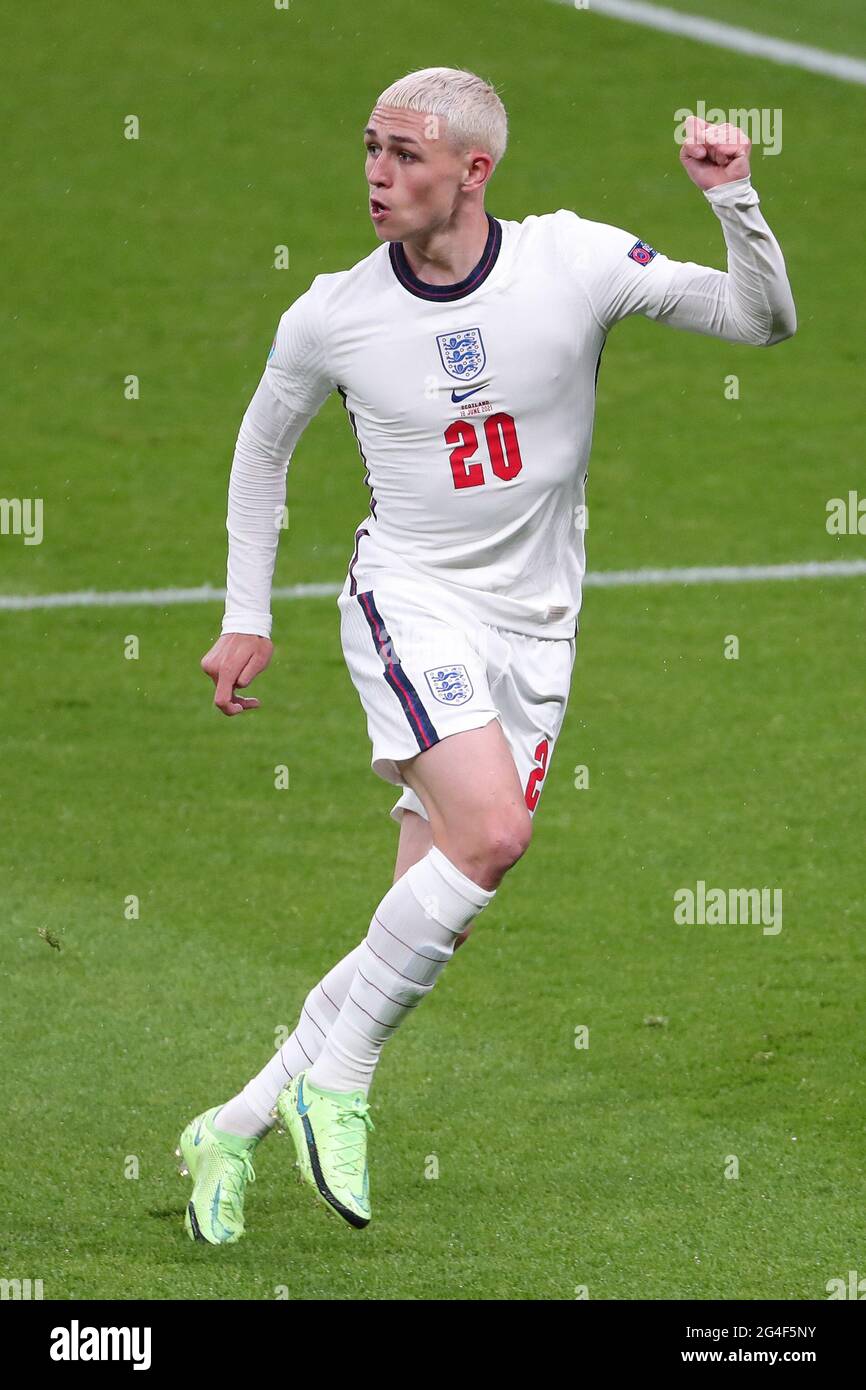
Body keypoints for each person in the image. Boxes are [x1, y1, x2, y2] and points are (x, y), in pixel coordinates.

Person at [178, 66, 796, 1243]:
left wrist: (733, 201)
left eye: (405, 154)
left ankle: (234, 1123)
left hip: (536, 625)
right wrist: (243, 613)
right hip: (409, 598)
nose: (375, 173)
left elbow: (757, 320)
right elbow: (263, 453)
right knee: (495, 834)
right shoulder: (332, 313)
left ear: (474, 169)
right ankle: (338, 1079)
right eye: (368, 147)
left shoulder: (571, 261)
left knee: (423, 912)